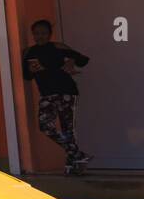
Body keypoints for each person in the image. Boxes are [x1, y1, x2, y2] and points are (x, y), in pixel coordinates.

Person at [22, 19, 92, 174]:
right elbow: (26, 76)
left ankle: (72, 162)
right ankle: (77, 154)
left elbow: (83, 60)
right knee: (45, 126)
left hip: (66, 91)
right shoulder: (29, 52)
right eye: (37, 33)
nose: (40, 37)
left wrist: (71, 61)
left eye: (44, 33)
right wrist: (31, 70)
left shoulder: (58, 47)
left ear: (49, 35)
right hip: (46, 94)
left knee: (68, 129)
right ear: (33, 34)